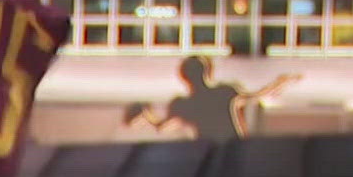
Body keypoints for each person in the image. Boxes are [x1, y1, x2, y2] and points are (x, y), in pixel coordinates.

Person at [123, 56, 299, 141]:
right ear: (207, 71)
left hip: (212, 154)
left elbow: (162, 127)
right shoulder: (223, 92)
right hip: (232, 149)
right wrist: (281, 83)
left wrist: (145, 115)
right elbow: (258, 95)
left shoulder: (184, 105)